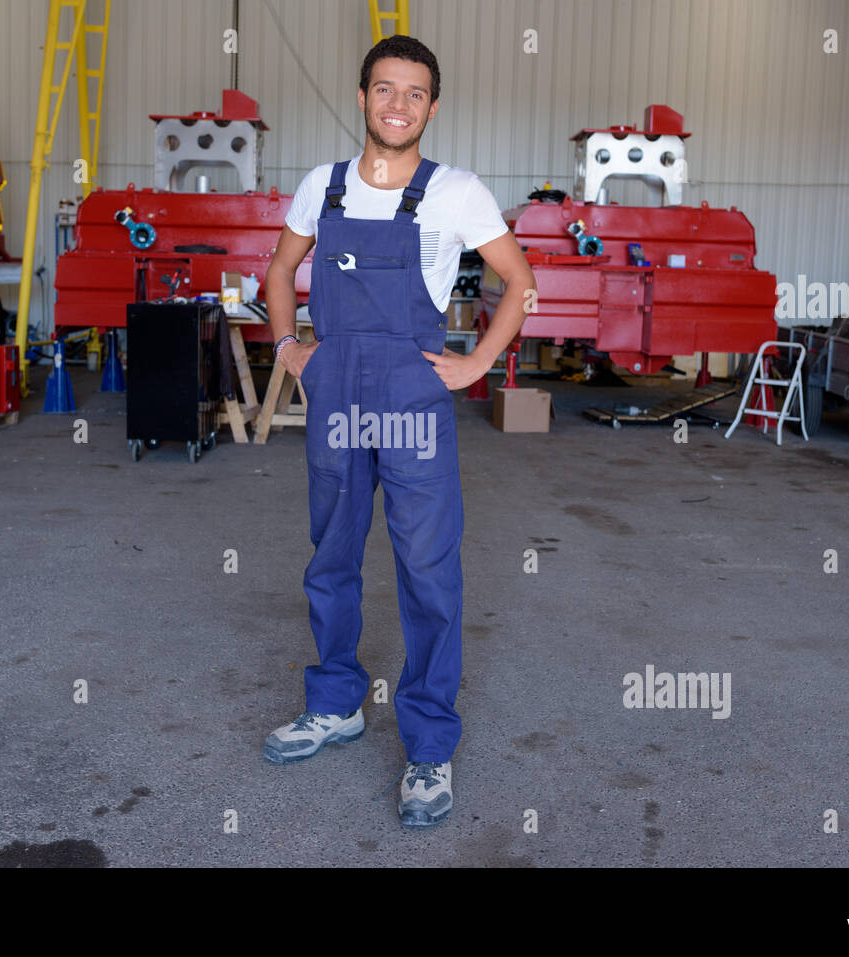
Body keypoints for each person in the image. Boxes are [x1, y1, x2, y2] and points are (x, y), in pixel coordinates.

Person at [261, 34, 536, 827]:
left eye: (414, 94)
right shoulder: (324, 186)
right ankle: (337, 703)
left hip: (414, 398)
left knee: (426, 569)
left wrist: (477, 362)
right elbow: (280, 270)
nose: (398, 105)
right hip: (337, 391)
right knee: (333, 554)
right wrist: (289, 349)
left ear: (432, 106)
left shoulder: (457, 192)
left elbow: (519, 283)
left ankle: (427, 742)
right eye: (385, 89)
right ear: (362, 96)